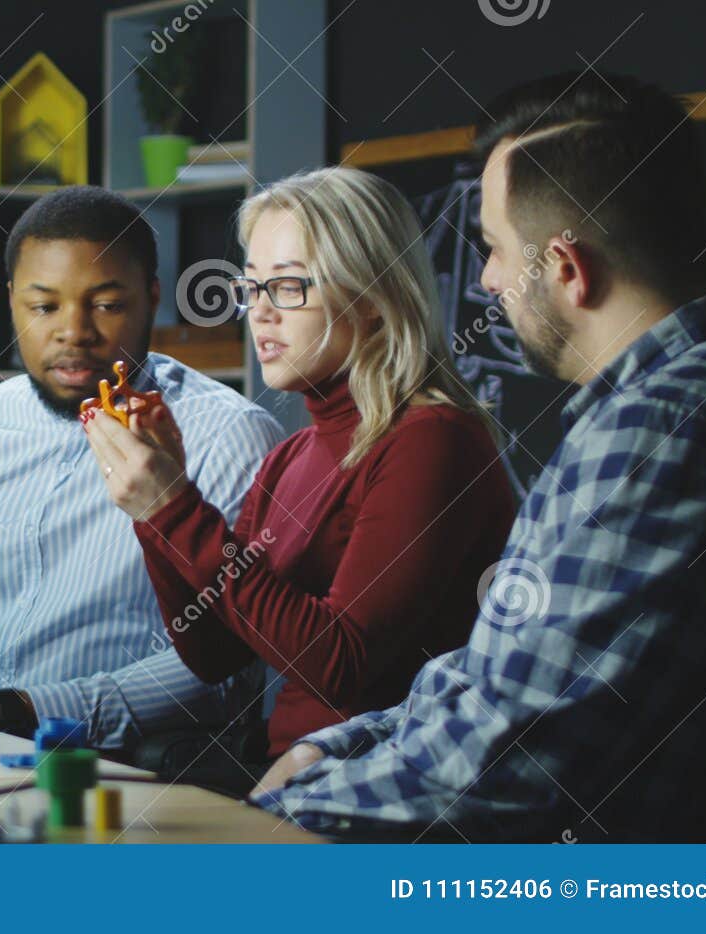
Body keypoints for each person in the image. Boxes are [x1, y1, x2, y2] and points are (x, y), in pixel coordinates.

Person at [251, 71, 706, 841]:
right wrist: (329, 746)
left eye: (496, 251)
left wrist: (269, 819)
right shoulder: (685, 395)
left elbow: (512, 760)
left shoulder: (662, 431)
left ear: (566, 269)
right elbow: (498, 675)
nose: (489, 281)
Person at [82, 167, 514, 794]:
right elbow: (214, 653)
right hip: (291, 775)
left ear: (371, 300)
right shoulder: (291, 455)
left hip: (387, 793)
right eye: (251, 288)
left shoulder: (430, 439)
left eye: (286, 288)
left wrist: (174, 509)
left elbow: (341, 664)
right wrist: (156, 512)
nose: (258, 313)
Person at [0, 186, 285, 749]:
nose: (74, 332)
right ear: (11, 301)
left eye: (107, 305)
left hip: (131, 779)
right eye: (44, 307)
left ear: (153, 298)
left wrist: (18, 713)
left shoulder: (229, 438)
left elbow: (227, 671)